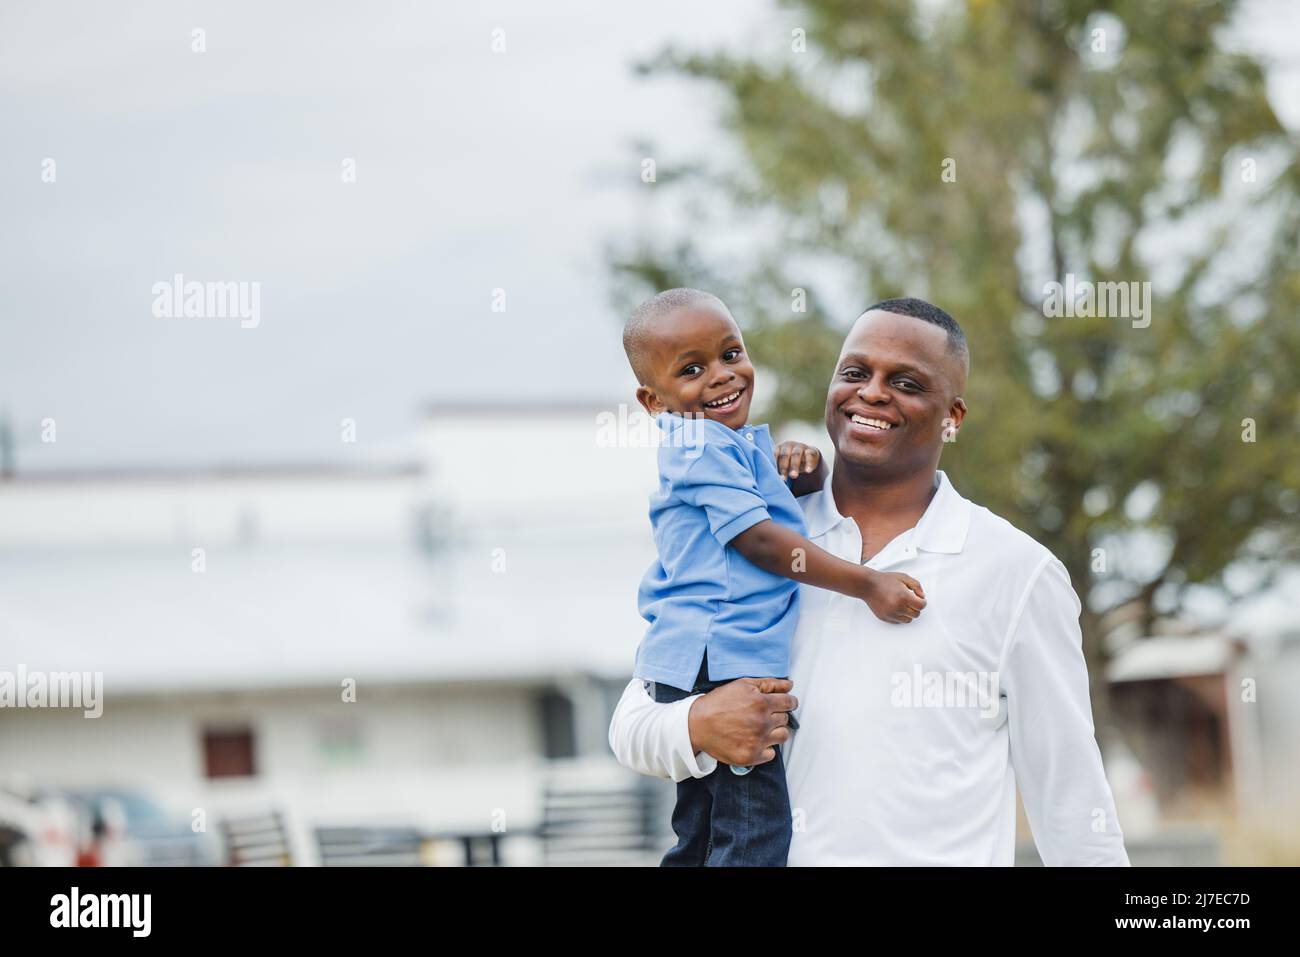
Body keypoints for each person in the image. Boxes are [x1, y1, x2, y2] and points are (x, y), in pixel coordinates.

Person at [610, 297, 1130, 866]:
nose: (873, 393)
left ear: (953, 416)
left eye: (906, 382)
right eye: (855, 373)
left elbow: (1071, 796)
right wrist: (699, 726)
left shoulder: (1016, 571)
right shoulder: (758, 532)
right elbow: (632, 725)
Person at [623, 288, 926, 866]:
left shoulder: (725, 444)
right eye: (692, 369)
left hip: (697, 659)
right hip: (723, 662)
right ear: (652, 399)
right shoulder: (698, 445)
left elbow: (767, 510)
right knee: (753, 833)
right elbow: (760, 541)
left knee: (704, 833)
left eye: (731, 353)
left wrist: (800, 473)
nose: (721, 376)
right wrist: (866, 583)